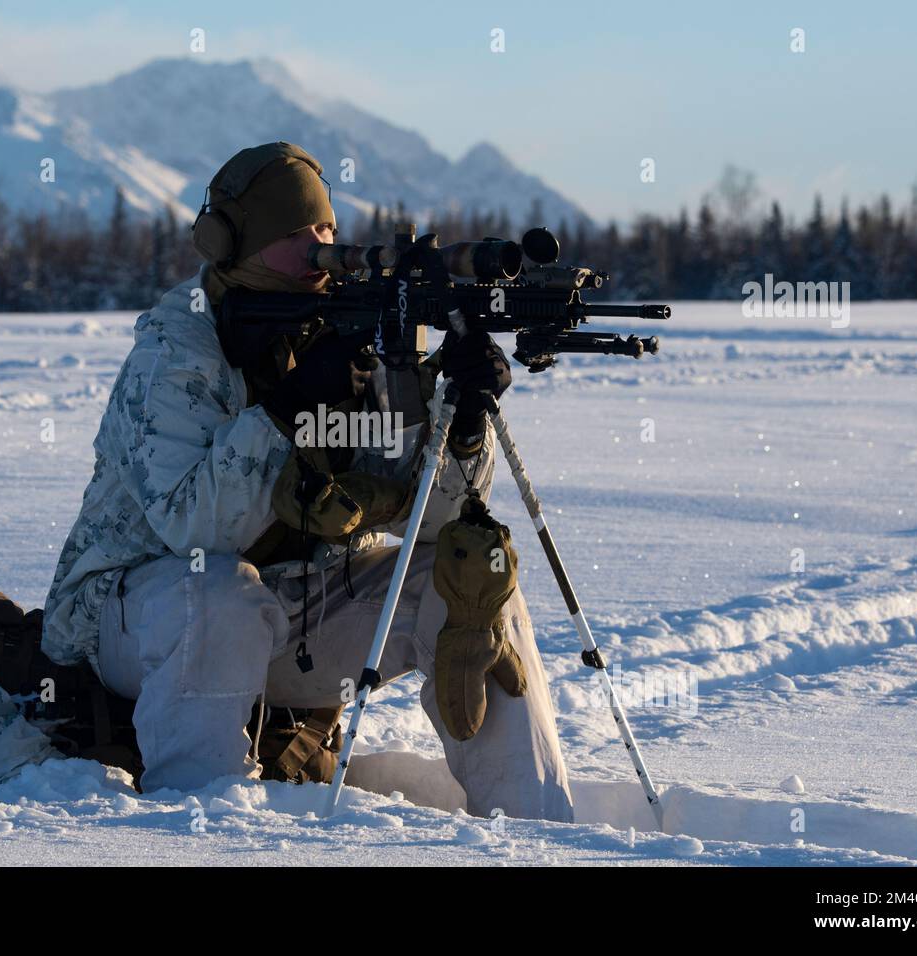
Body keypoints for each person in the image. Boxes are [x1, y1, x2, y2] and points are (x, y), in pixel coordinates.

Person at [44, 142, 573, 821]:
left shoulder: (351, 328)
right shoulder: (177, 349)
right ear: (231, 243)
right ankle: (204, 827)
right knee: (219, 594)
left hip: (296, 608)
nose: (321, 249)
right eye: (295, 235)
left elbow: (430, 522)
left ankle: (539, 834)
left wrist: (459, 422)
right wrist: (285, 409)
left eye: (325, 229)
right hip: (130, 623)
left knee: (473, 571)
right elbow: (192, 528)